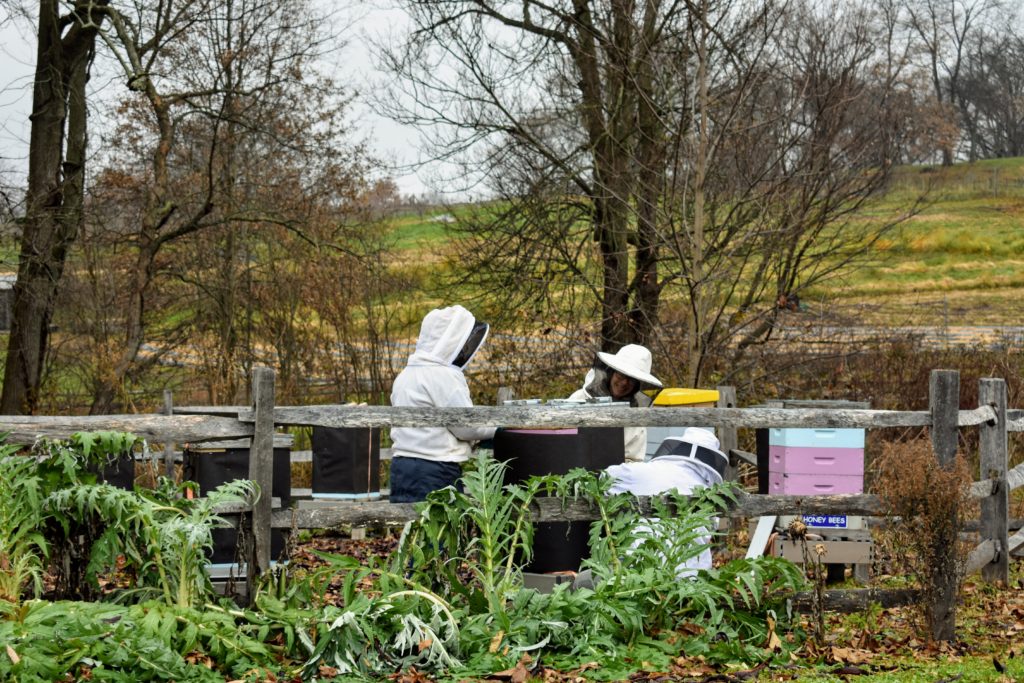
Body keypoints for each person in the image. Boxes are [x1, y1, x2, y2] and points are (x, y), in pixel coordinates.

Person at [573, 427, 728, 589]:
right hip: (693, 585)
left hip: (639, 579)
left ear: (678, 448)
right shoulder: (709, 494)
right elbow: (708, 534)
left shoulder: (641, 472)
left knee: (582, 582)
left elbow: (603, 478)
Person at [389, 305, 497, 503]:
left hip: (401, 466)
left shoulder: (406, 375)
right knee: (439, 531)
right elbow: (467, 427)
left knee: (411, 527)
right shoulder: (443, 376)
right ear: (453, 341)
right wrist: (500, 426)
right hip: (435, 468)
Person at [568, 344, 662, 462]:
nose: (624, 383)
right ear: (611, 372)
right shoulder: (579, 398)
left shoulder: (636, 421)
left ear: (637, 385)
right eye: (621, 375)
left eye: (631, 380)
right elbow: (559, 438)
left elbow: (633, 462)